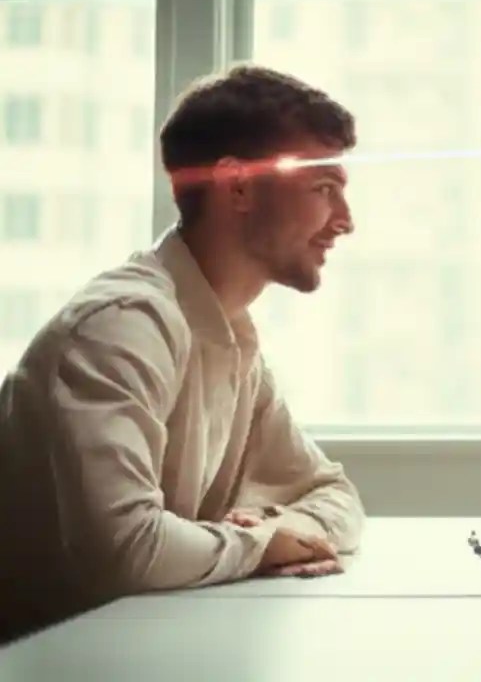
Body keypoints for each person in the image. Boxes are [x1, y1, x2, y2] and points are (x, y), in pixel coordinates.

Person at [0, 64, 366, 644]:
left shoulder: (232, 336)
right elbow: (125, 551)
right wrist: (261, 543)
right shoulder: (123, 326)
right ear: (238, 185)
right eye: (323, 189)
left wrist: (282, 525)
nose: (345, 221)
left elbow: (336, 495)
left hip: (133, 653)